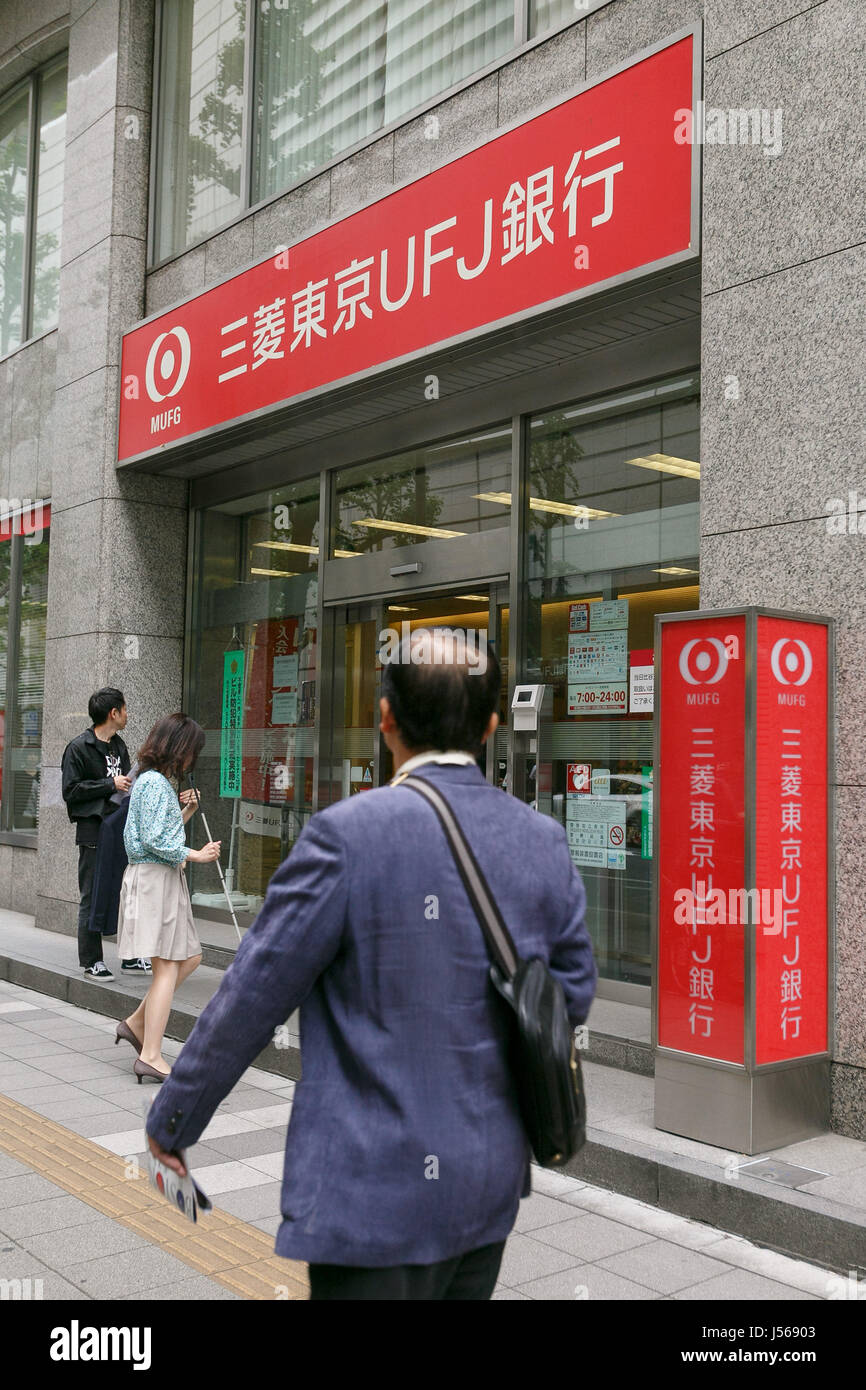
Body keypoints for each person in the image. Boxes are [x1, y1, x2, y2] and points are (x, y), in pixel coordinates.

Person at [146, 633, 596, 1300]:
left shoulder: (344, 836)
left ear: (384, 717)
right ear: (493, 725)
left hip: (369, 1187)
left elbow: (253, 995)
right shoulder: (541, 840)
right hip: (486, 1182)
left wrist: (172, 1123)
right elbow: (572, 994)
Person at [114, 714, 220, 1083]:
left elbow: (157, 834)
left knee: (189, 957)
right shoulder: (155, 784)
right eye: (192, 750)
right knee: (168, 967)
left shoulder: (148, 781)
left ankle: (136, 1024)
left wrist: (186, 810)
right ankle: (151, 1055)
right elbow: (159, 842)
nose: (193, 758)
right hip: (156, 881)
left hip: (156, 879)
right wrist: (197, 854)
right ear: (180, 748)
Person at [61, 687, 149, 980]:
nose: (127, 714)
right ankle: (92, 962)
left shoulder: (120, 746)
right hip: (93, 831)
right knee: (91, 895)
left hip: (120, 829)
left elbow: (126, 785)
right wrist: (110, 784)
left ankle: (130, 956)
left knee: (126, 893)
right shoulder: (79, 747)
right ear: (114, 713)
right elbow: (71, 791)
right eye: (124, 709)